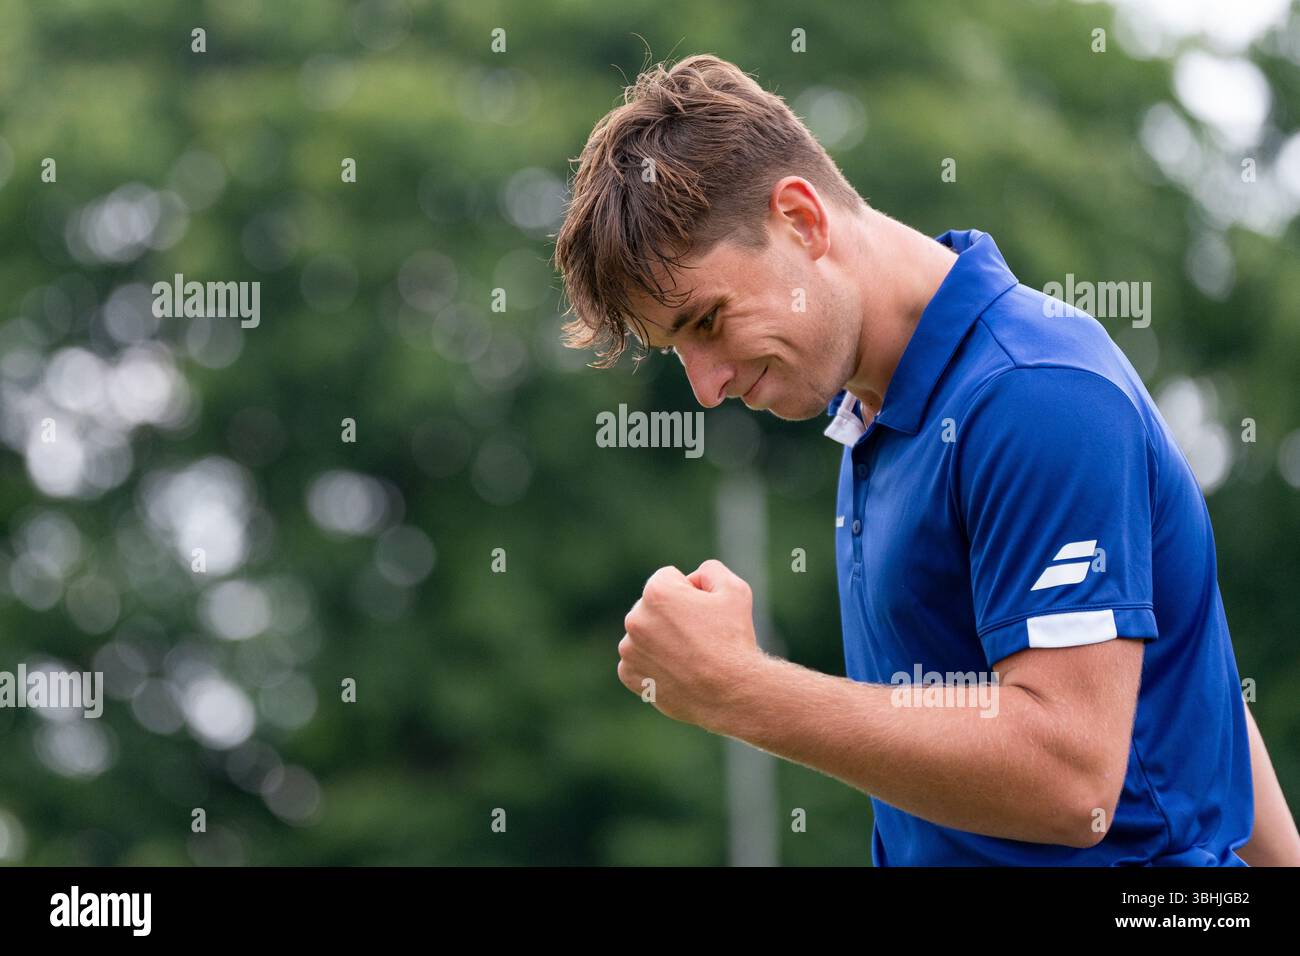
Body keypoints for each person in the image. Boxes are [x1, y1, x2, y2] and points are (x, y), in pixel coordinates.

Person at [551, 54, 1300, 865]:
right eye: (677, 351)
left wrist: (740, 688)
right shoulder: (875, 411)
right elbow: (1184, 666)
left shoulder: (1034, 395)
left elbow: (1071, 782)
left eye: (707, 322)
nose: (705, 387)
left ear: (802, 220)